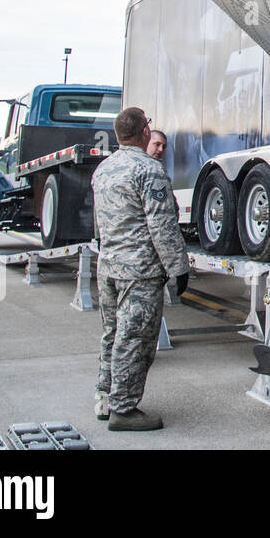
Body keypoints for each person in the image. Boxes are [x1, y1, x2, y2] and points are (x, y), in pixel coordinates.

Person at [91, 107, 190, 431]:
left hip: (108, 267)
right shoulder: (149, 171)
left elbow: (99, 224)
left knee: (113, 335)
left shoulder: (103, 170)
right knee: (135, 341)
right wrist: (178, 267)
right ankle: (124, 410)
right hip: (139, 272)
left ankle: (105, 397)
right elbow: (161, 225)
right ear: (144, 132)